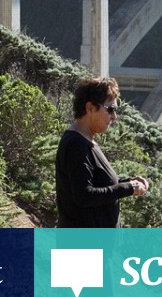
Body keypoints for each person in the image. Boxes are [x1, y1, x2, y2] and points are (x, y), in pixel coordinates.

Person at [55, 77, 150, 228]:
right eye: (110, 109)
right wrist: (128, 188)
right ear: (90, 108)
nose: (114, 116)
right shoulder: (76, 145)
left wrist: (130, 182)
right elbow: (84, 195)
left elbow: (98, 182)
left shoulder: (86, 141)